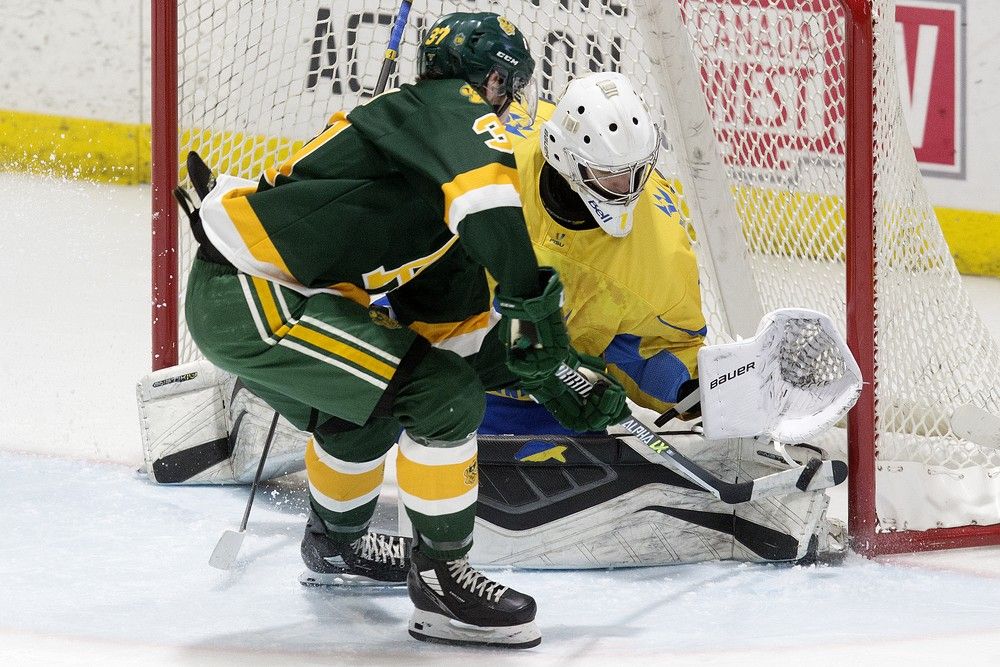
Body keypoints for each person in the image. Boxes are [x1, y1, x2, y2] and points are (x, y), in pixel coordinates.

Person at [177, 12, 629, 649]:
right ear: (491, 82)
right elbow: (491, 207)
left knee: (386, 399)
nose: (510, 105)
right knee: (442, 399)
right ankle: (443, 583)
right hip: (250, 296)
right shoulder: (445, 107)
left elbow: (453, 339)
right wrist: (539, 311)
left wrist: (552, 369)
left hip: (270, 298)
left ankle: (336, 546)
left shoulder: (434, 181)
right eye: (510, 87)